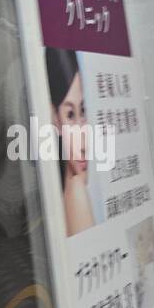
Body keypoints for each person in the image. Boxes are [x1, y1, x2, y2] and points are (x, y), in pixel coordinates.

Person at [46, 49, 95, 236]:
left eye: (82, 111)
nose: (83, 145)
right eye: (70, 115)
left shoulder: (60, 198)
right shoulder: (76, 193)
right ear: (55, 118)